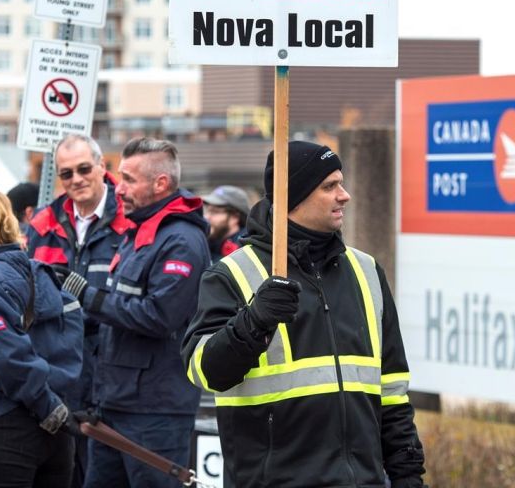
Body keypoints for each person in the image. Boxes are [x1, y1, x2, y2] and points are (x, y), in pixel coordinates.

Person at [182, 141, 427, 488]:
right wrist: (254, 322)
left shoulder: (367, 270)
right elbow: (204, 371)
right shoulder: (231, 274)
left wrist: (408, 476)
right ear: (291, 198)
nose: (345, 196)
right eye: (329, 186)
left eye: (341, 183)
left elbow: (392, 391)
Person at [56, 138, 209, 488]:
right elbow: (120, 315)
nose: (118, 188)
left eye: (128, 179)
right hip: (115, 405)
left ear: (161, 184)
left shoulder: (181, 241)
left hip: (155, 412)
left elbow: (159, 316)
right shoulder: (141, 233)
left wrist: (88, 297)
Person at [0, 186, 85, 488]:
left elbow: (7, 355)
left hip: (4, 425)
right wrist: (55, 404)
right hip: (57, 432)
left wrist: (44, 404)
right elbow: (71, 339)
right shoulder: (43, 273)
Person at [26, 134, 130, 488]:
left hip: (114, 371)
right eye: (66, 173)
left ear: (102, 167)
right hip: (58, 374)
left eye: (84, 169)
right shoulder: (43, 224)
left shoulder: (129, 219)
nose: (76, 179)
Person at [201, 185, 250, 261]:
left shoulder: (245, 250)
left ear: (235, 217)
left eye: (215, 212)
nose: (207, 217)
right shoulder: (208, 242)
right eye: (207, 211)